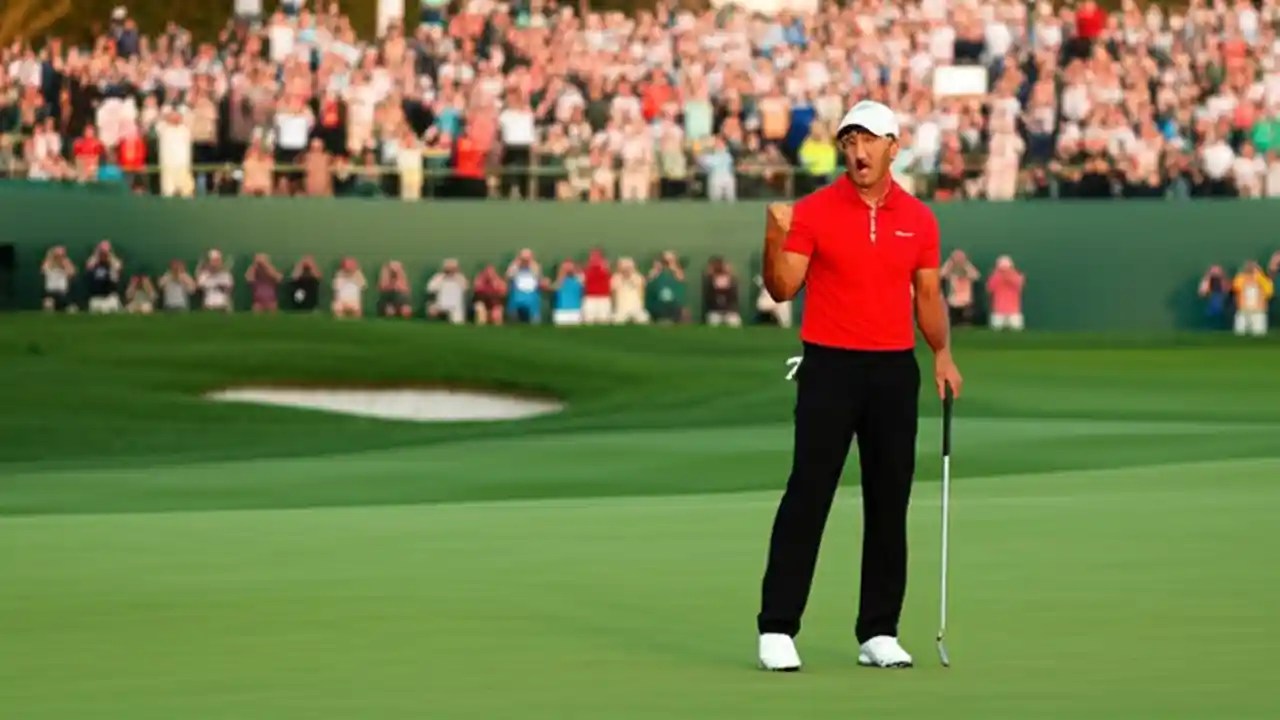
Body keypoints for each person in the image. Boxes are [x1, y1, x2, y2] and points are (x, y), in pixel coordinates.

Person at [755, 100, 963, 672]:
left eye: (868, 140)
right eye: (849, 140)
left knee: (889, 500)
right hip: (829, 368)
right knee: (809, 493)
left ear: (893, 146)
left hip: (895, 371)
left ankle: (879, 631)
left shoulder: (920, 219)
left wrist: (942, 352)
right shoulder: (815, 210)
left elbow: (926, 296)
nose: (857, 151)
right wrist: (775, 241)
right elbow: (782, 290)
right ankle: (777, 627)